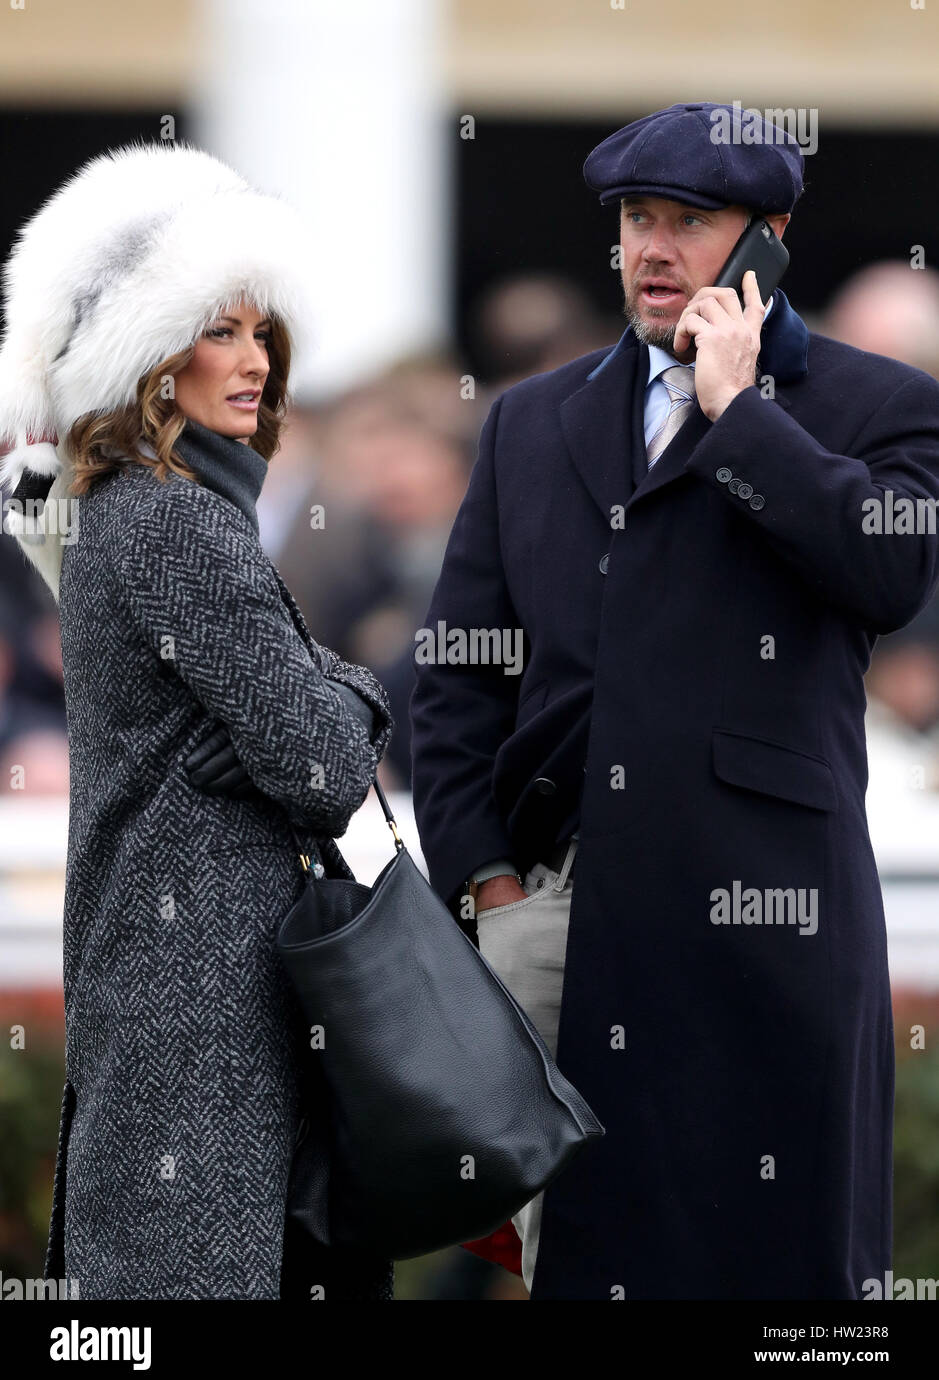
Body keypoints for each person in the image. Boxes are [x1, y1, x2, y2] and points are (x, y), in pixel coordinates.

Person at [409, 101, 939, 1299]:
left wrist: (740, 416)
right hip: (562, 922)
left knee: (784, 1280)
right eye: (636, 220)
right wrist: (493, 886)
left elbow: (889, 572)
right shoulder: (532, 423)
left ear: (770, 238)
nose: (651, 248)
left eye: (689, 223)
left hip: (771, 926)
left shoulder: (876, 405)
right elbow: (456, 678)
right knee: (583, 1263)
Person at [0, 142, 394, 1300]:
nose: (254, 359)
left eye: (259, 329)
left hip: (180, 992)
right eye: (216, 330)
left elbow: (286, 736)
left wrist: (293, 706)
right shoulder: (177, 523)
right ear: (144, 356)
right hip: (206, 1014)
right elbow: (323, 765)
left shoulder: (132, 512)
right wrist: (357, 690)